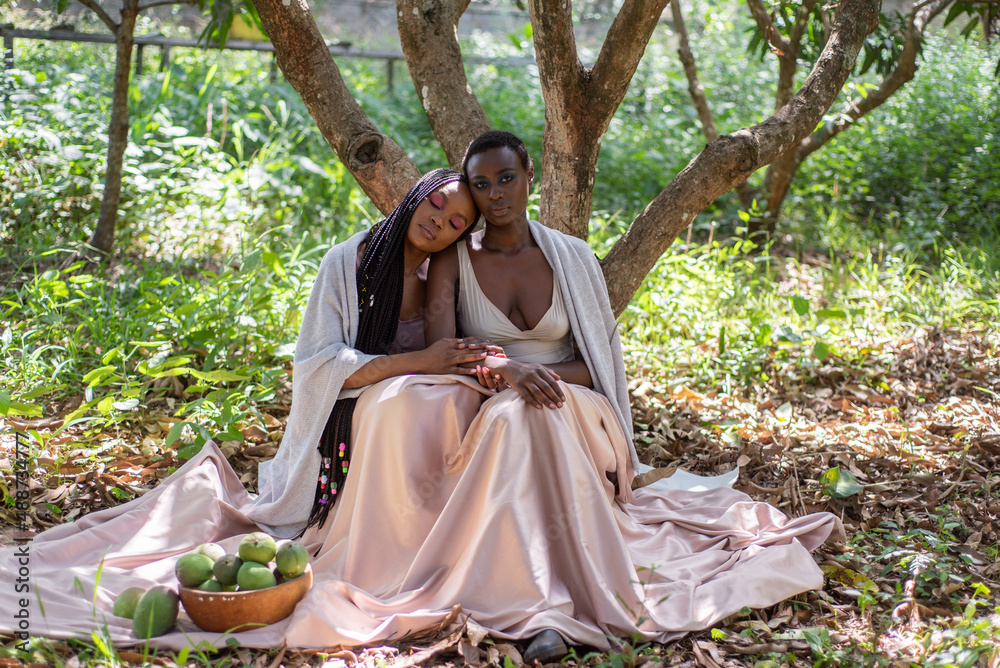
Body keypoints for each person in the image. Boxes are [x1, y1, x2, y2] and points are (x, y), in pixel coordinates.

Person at [0, 169, 492, 649]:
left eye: (455, 222)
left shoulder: (445, 276)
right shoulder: (350, 262)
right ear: (418, 194)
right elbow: (320, 363)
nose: (439, 220)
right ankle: (373, 546)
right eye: (437, 202)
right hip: (350, 419)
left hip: (417, 419)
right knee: (399, 408)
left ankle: (430, 545)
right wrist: (416, 362)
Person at [418, 130, 844, 660]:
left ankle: (553, 602)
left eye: (507, 178)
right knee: (516, 417)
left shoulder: (571, 257)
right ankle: (536, 604)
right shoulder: (453, 259)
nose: (496, 194)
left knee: (534, 414)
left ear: (531, 175)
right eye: (481, 185)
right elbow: (443, 351)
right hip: (491, 401)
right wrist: (509, 371)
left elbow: (596, 364)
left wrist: (536, 377)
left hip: (575, 399)